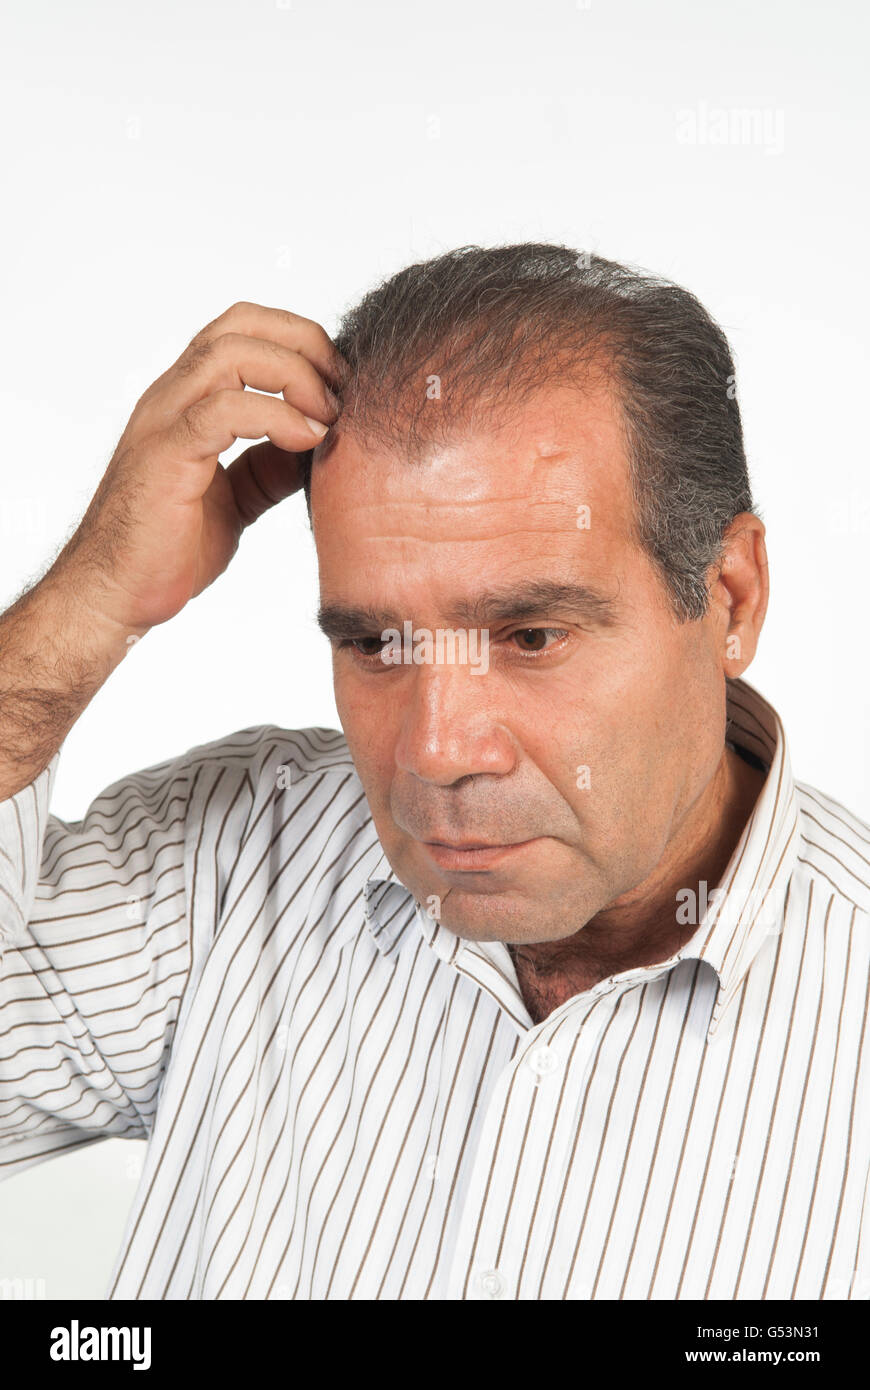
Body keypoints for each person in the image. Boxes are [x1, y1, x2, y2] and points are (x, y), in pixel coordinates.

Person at [1, 245, 867, 1301]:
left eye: (532, 634)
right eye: (375, 644)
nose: (437, 751)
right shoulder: (226, 866)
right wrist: (88, 601)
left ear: (730, 597)